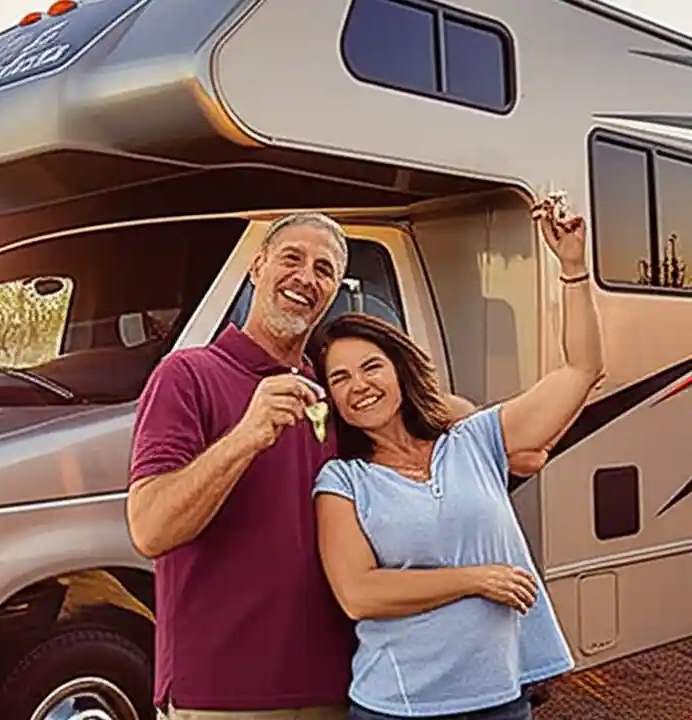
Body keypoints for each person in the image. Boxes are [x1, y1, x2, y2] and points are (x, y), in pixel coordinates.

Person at [125, 212, 543, 720]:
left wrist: (444, 407)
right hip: (223, 694)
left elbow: (521, 452)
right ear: (257, 267)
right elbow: (149, 529)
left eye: (324, 269)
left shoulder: (333, 392)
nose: (307, 277)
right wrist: (245, 438)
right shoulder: (188, 374)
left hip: (337, 688)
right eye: (292, 258)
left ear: (333, 290)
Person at [309, 202, 599, 719]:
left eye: (371, 366)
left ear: (399, 371)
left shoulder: (473, 440)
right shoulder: (344, 480)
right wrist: (475, 579)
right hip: (400, 706)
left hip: (502, 699)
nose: (360, 386)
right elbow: (359, 593)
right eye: (340, 379)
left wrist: (573, 268)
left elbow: (581, 370)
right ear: (330, 398)